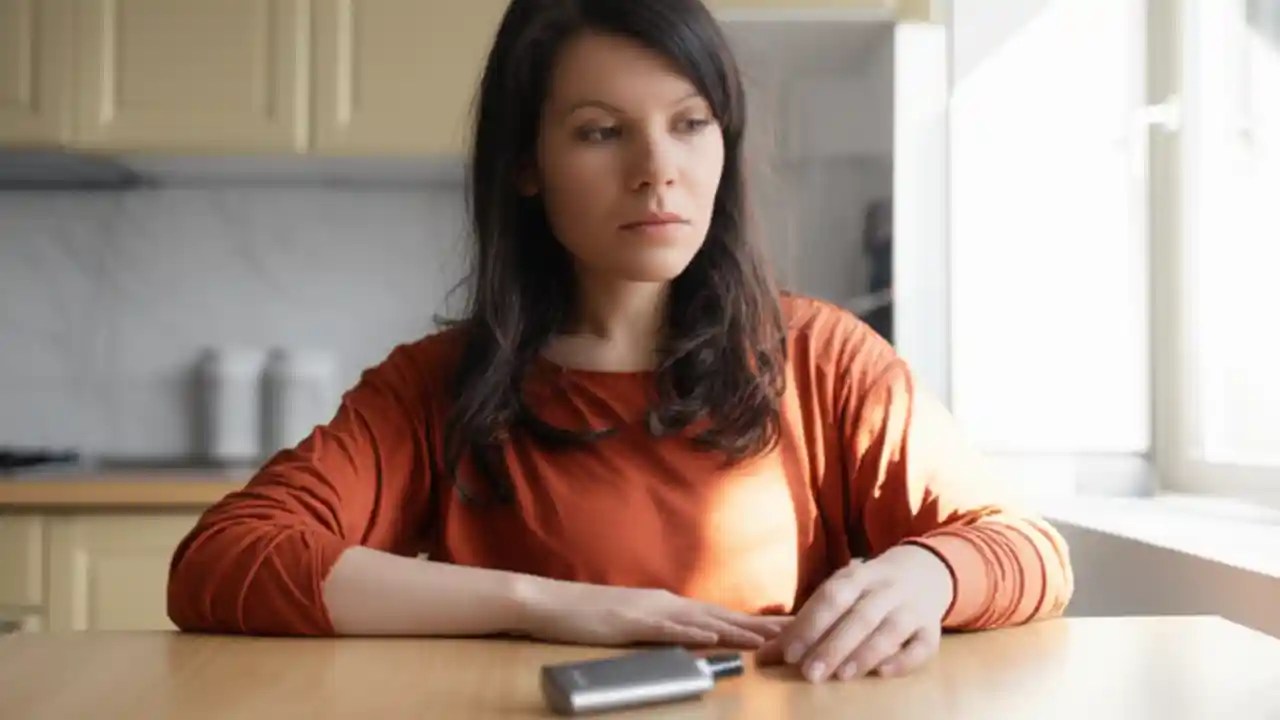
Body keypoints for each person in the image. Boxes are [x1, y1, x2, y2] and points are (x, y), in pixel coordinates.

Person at [167, 0, 1073, 684]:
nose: (657, 171)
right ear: (526, 164)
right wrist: (548, 607)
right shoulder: (436, 387)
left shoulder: (826, 359)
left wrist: (930, 572)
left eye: (689, 124)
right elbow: (226, 560)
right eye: (601, 133)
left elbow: (1028, 552)